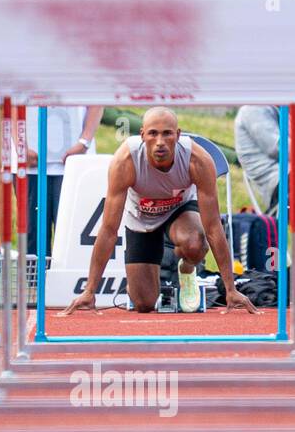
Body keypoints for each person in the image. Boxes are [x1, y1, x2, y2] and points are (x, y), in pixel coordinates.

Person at [59, 107, 256, 315]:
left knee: (195, 242)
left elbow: (214, 227)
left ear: (178, 135)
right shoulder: (125, 160)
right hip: (141, 217)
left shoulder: (197, 160)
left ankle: (187, 269)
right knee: (144, 304)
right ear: (142, 135)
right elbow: (108, 229)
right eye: (153, 133)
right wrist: (90, 290)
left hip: (180, 210)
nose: (160, 141)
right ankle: (139, 278)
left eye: (167, 134)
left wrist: (230, 289)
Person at [27, 106, 104, 251]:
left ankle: (63, 273)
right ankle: (35, 274)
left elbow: (96, 99)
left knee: (71, 236)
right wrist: (20, 145)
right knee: (33, 237)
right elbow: (11, 97)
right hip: (30, 162)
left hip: (76, 159)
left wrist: (84, 141)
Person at [233, 105, 280, 214]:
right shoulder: (253, 109)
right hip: (279, 184)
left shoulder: (276, 109)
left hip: (290, 176)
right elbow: (278, 147)